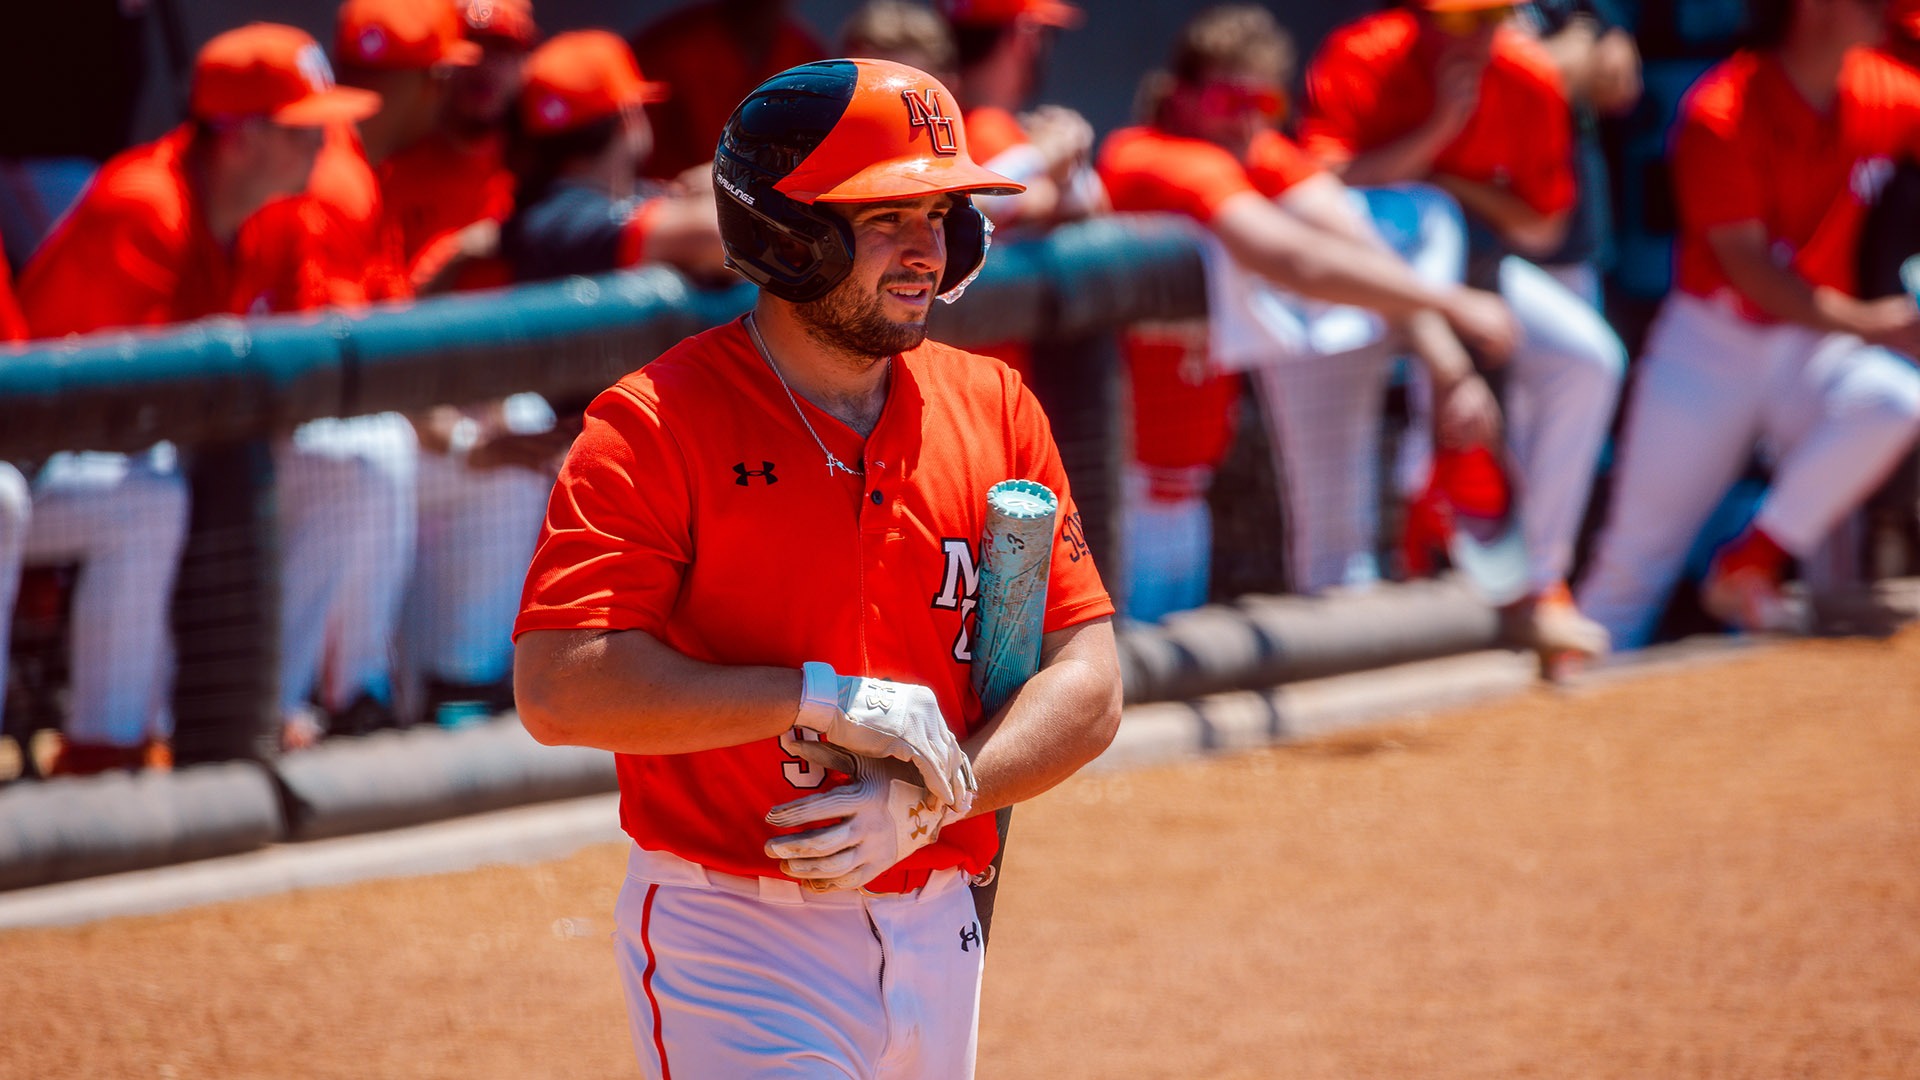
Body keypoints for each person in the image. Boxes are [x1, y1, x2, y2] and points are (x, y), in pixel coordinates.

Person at [512, 58, 1121, 1077]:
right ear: (786, 233)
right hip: (738, 938)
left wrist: (938, 797)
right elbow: (560, 688)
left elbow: (1090, 685)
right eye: (886, 219)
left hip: (940, 926)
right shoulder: (653, 426)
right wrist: (818, 698)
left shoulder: (996, 409)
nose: (927, 251)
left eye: (941, 216)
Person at [7, 23, 378, 771]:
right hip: (48, 464)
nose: (324, 142)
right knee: (148, 497)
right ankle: (106, 747)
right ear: (240, 138)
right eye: (302, 128)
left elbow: (308, 365)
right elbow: (108, 408)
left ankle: (273, 709)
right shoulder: (144, 205)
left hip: (171, 453)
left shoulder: (278, 212)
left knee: (353, 464)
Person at [1098, 4, 1511, 621]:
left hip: (1184, 493)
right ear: (1180, 96)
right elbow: (1293, 257)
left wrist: (1449, 365)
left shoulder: (1251, 152)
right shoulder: (1153, 156)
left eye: (1262, 103)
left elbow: (1354, 240)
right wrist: (1453, 302)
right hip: (1111, 490)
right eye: (1226, 100)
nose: (1245, 120)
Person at [1575, 0, 1920, 647]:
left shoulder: (1877, 87)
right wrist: (1870, 323)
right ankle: (1581, 685)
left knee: (1896, 400)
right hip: (1713, 342)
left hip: (1816, 347)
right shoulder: (1721, 108)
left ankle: (1752, 560)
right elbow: (1749, 269)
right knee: (1632, 565)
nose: (1886, 13)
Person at [1301, 0, 1626, 659]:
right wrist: (1439, 131)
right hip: (1345, 279)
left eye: (1492, 15)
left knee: (1588, 358)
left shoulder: (1525, 72)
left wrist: (1442, 178)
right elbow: (1314, 185)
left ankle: (1538, 581)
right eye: (1458, 19)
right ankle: (1347, 635)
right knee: (1332, 498)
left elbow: (1542, 227)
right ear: (1421, 16)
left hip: (1463, 280)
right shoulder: (1366, 53)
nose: (1477, 34)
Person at [248, 0, 481, 744]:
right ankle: (332, 693)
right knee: (370, 451)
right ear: (424, 85)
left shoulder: (356, 164)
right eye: (442, 79)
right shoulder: (335, 173)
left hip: (289, 420)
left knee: (494, 439)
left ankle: (453, 681)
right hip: (263, 430)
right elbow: (336, 363)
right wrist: (447, 429)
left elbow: (385, 329)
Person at [382, 0, 538, 294]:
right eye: (470, 44)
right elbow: (382, 309)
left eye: (501, 50)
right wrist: (459, 253)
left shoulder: (540, 167)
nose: (484, 64)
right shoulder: (390, 174)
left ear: (524, 64)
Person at [628, 0, 827, 180]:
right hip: (671, 196)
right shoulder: (670, 47)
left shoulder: (805, 55)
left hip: (766, 197)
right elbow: (629, 150)